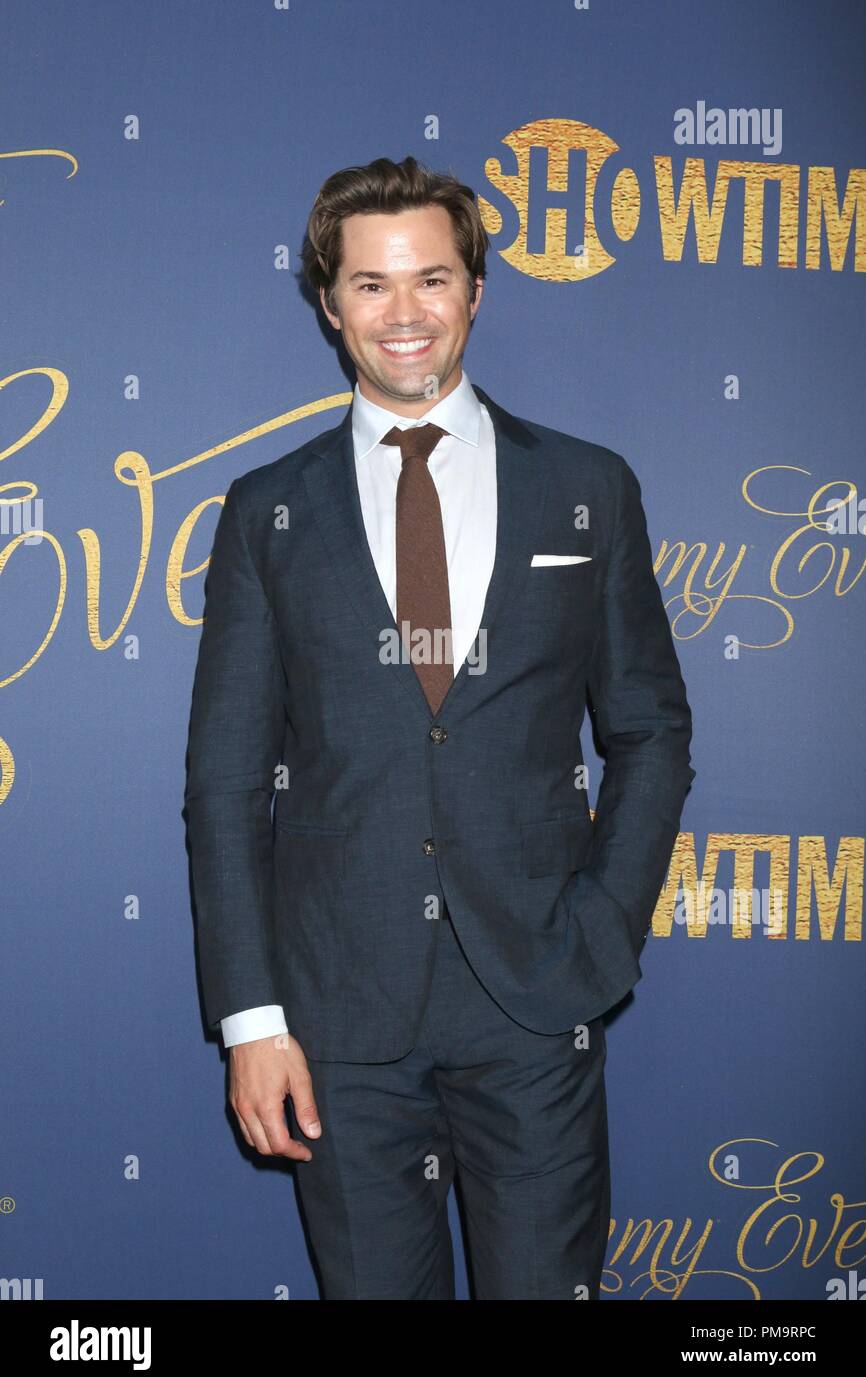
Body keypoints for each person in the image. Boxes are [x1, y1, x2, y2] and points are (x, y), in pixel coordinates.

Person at [183, 154, 696, 1300]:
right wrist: (252, 1017)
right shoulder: (266, 511)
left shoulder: (586, 485)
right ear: (328, 302)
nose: (403, 314)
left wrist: (602, 926)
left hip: (536, 1000)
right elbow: (224, 785)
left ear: (475, 291)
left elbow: (651, 729)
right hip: (334, 1021)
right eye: (370, 285)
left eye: (431, 279)